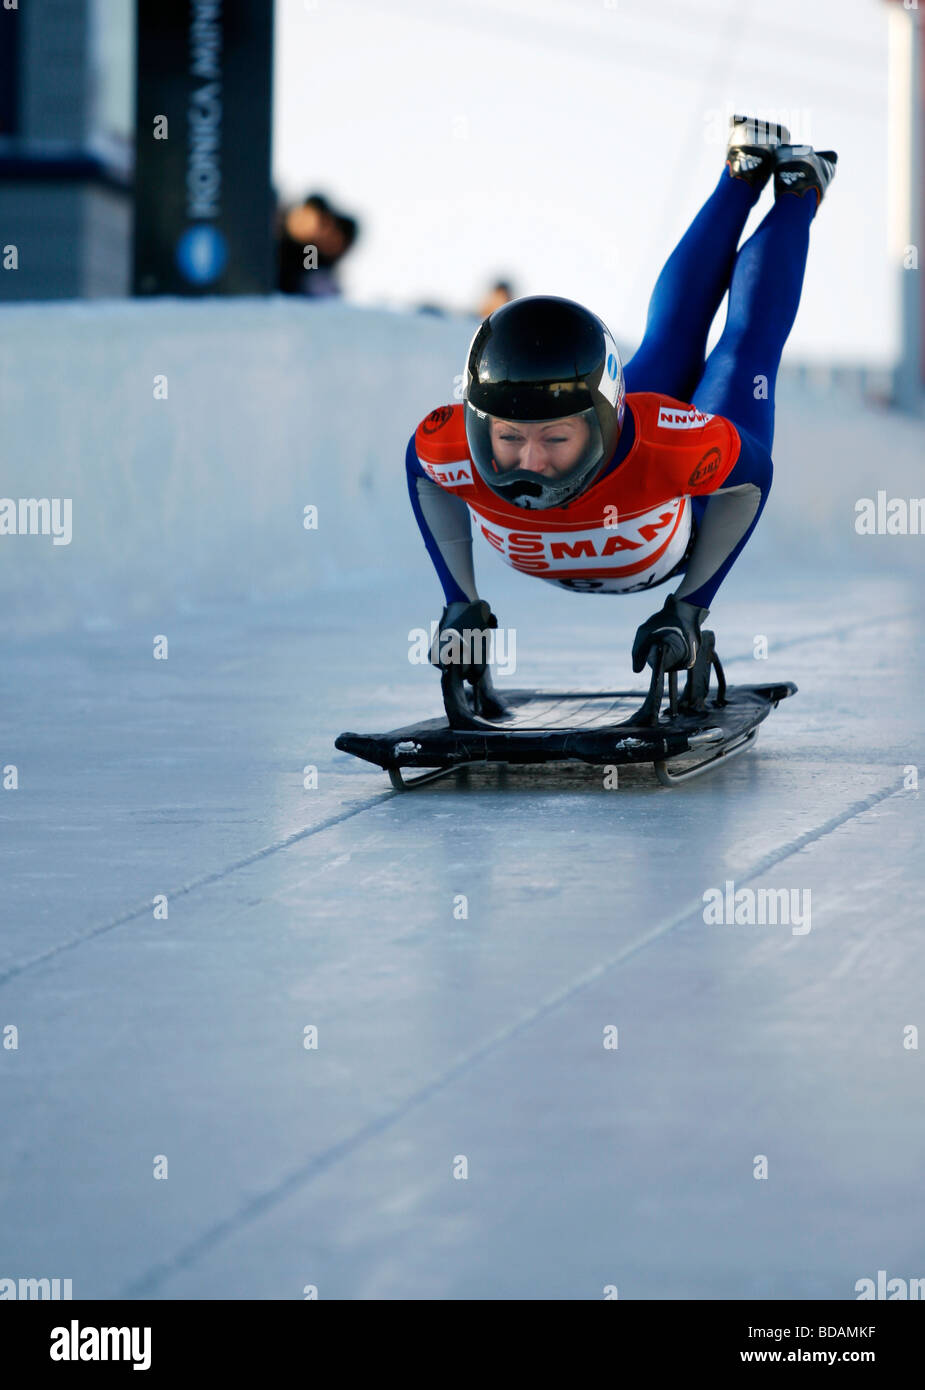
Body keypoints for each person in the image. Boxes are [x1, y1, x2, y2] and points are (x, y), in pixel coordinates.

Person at [405, 116, 837, 686]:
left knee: (741, 352)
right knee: (670, 340)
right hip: (645, 506)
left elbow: (751, 479)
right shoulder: (448, 441)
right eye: (509, 438)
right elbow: (423, 470)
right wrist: (460, 604)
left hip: (681, 514)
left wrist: (689, 606)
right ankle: (746, 173)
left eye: (555, 439)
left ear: (605, 419)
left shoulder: (672, 441)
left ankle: (796, 188)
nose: (530, 464)